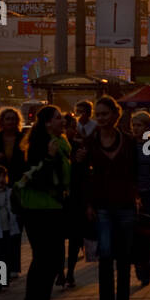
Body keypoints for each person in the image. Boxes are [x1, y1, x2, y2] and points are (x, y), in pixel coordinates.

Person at [82, 95, 139, 300]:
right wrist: (88, 204)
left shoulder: (128, 141)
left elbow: (136, 172)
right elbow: (84, 176)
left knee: (124, 261)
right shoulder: (90, 142)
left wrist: (139, 198)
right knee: (105, 259)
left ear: (116, 116)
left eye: (106, 114)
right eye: (99, 115)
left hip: (125, 205)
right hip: (102, 206)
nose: (102, 118)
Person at [18, 106, 71, 300]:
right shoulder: (40, 146)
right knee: (42, 259)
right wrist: (49, 159)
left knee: (55, 259)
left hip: (55, 206)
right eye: (58, 118)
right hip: (37, 207)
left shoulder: (62, 144)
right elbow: (37, 177)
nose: (63, 121)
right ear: (48, 123)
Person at [130, 109, 150, 284]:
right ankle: (141, 262)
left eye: (139, 125)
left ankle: (146, 260)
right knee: (135, 231)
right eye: (134, 125)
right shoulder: (128, 144)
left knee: (146, 229)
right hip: (133, 193)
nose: (136, 128)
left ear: (148, 127)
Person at [58, 113, 86, 289]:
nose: (73, 130)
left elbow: (84, 175)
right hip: (59, 200)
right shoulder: (55, 147)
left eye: (74, 126)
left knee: (75, 239)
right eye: (70, 126)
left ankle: (71, 273)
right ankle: (60, 272)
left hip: (76, 199)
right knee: (59, 240)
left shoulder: (78, 147)